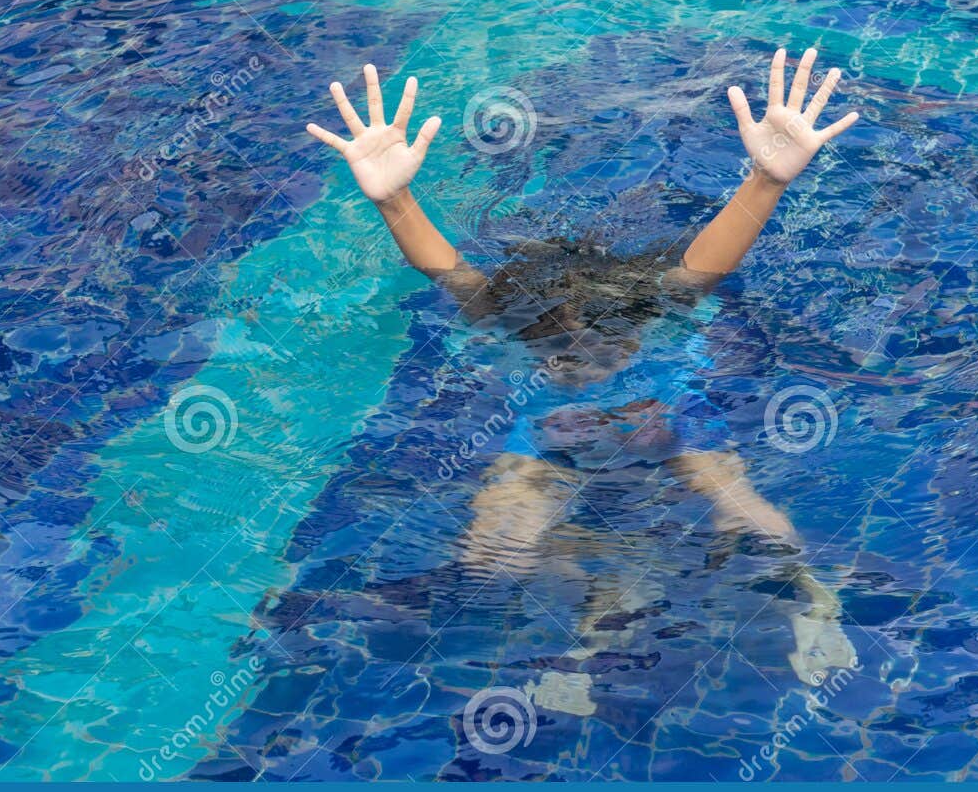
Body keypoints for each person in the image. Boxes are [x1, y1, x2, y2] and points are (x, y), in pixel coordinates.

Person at [306, 49, 861, 697]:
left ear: (632, 327)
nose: (579, 366)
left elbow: (708, 262)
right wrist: (394, 199)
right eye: (560, 356)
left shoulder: (655, 304)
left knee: (738, 506)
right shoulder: (506, 314)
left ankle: (812, 601)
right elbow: (445, 269)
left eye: (603, 351)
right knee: (494, 554)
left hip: (668, 419)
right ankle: (606, 591)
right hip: (553, 436)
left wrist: (766, 180)